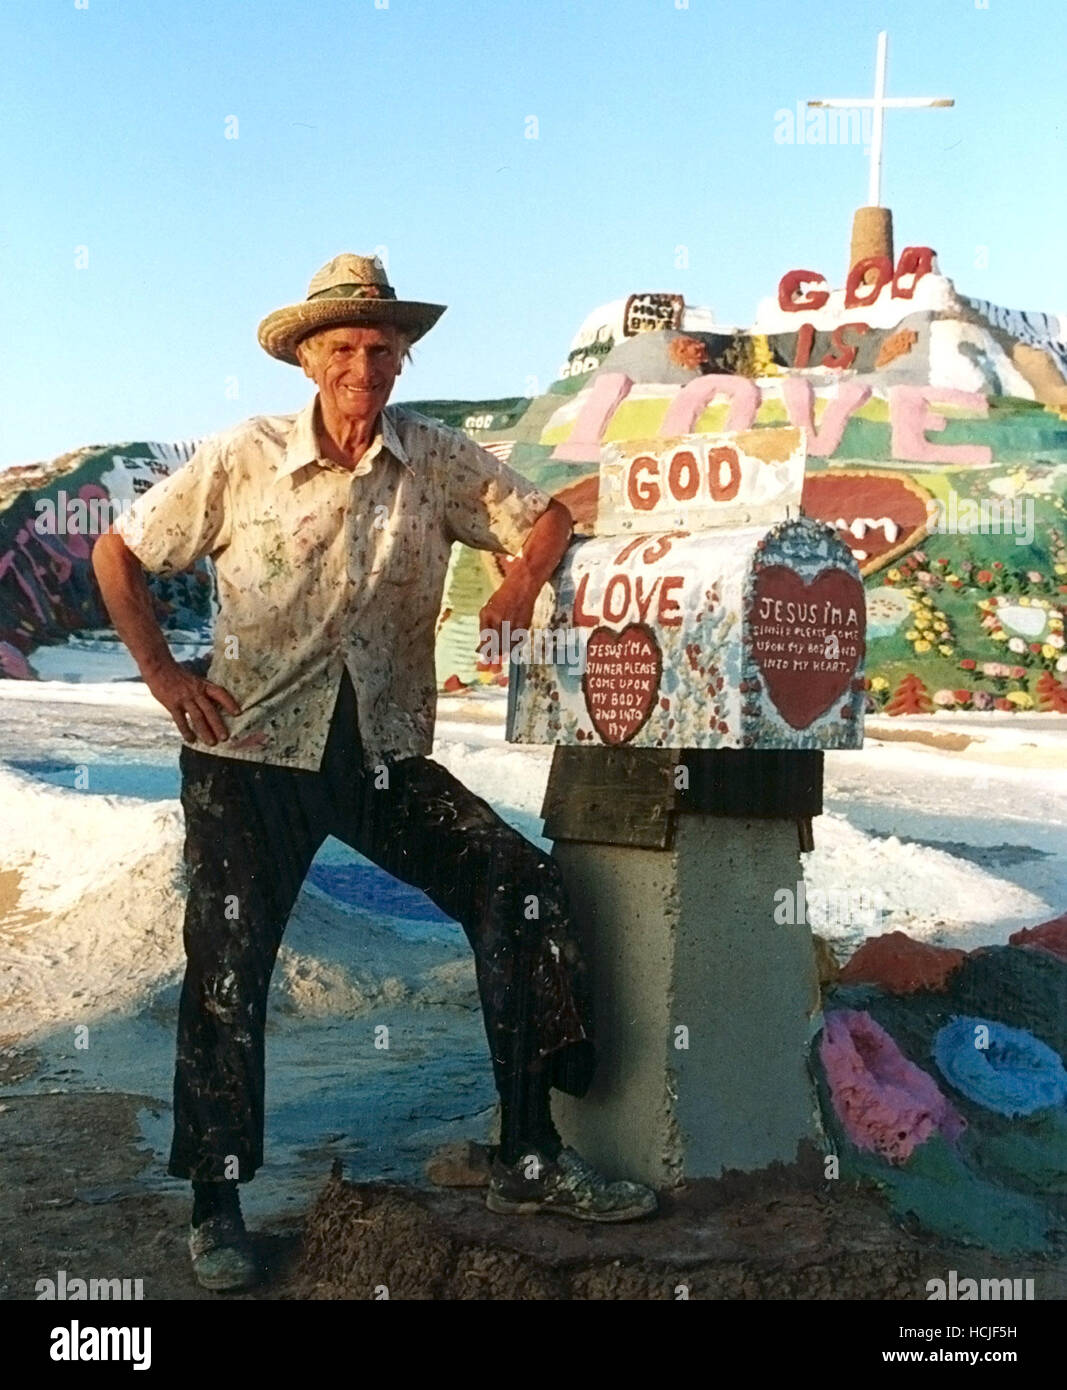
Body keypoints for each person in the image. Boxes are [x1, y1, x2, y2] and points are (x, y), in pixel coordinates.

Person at [92, 253, 656, 1292]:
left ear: (403, 359)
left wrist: (519, 579)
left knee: (517, 886)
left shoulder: (434, 458)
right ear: (310, 359)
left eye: (383, 347)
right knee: (228, 971)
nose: (365, 363)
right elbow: (118, 552)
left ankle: (525, 1153)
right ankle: (216, 1208)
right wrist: (165, 671)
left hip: (381, 751)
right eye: (344, 346)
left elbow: (546, 516)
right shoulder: (242, 457)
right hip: (247, 754)